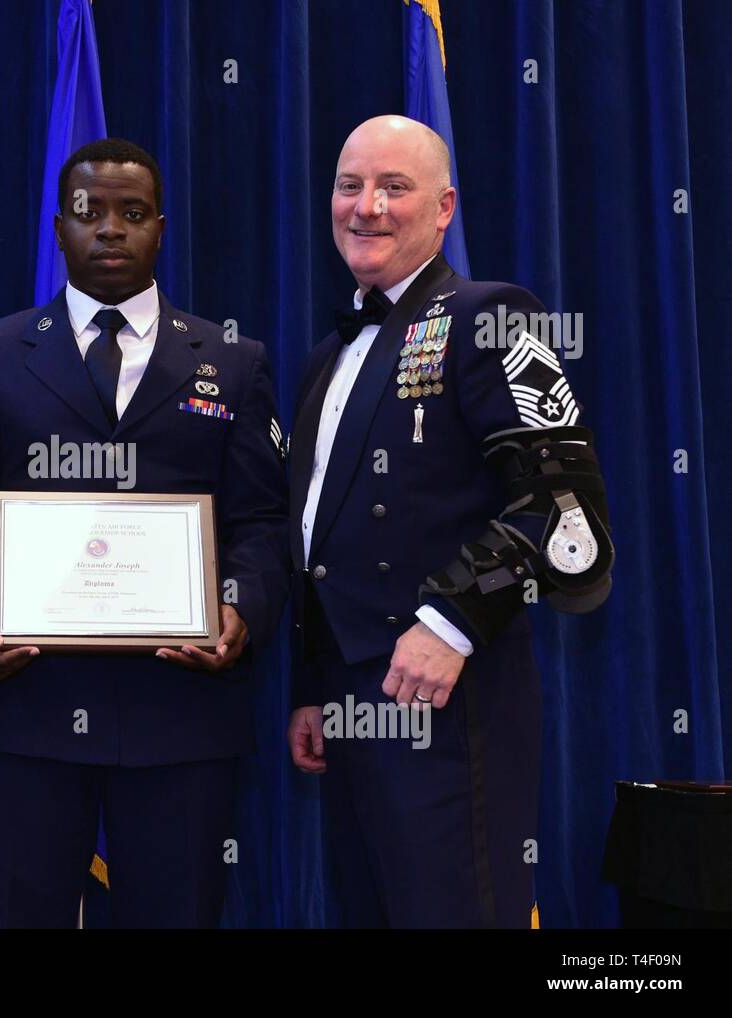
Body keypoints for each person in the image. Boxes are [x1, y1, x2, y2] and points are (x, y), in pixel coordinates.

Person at [0, 138, 289, 928]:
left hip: (180, 716)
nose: (110, 230)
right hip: (25, 711)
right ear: (58, 229)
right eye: (89, 213)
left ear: (161, 228)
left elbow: (260, 522)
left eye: (132, 213)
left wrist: (241, 610)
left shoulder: (234, 359)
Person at [286, 115, 613, 928]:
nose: (367, 206)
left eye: (394, 187)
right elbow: (321, 542)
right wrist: (310, 685)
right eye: (349, 185)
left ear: (444, 208)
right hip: (349, 698)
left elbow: (562, 508)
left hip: (450, 694)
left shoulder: (492, 316)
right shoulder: (327, 355)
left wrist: (454, 620)